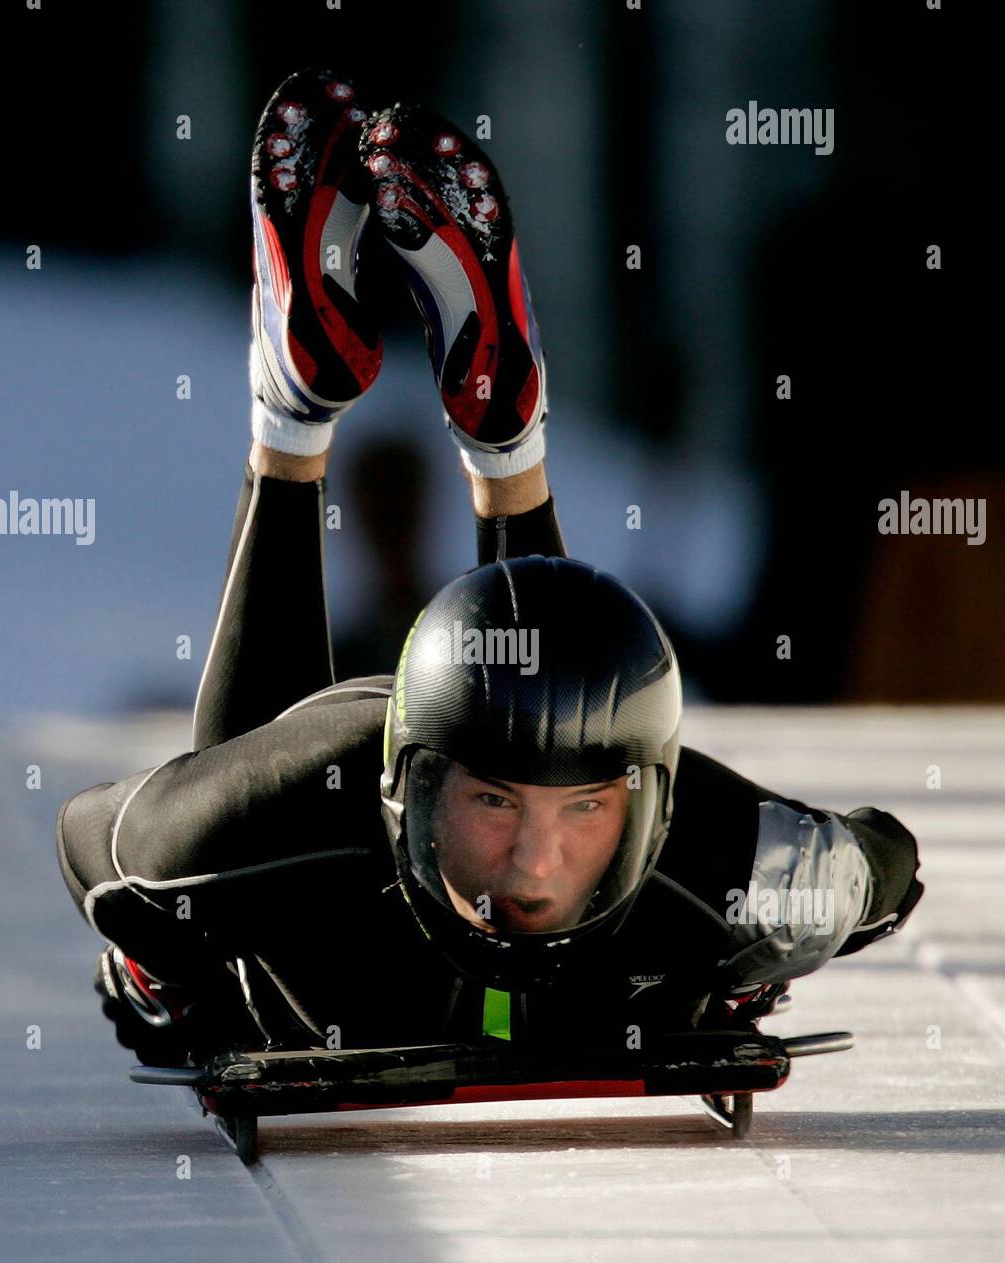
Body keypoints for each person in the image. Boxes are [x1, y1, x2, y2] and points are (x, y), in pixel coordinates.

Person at [55, 70, 924, 1066]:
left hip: (335, 842)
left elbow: (878, 868)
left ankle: (304, 420)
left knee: (211, 893)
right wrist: (156, 943)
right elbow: (102, 848)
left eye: (586, 808)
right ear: (409, 791)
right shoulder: (284, 823)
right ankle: (472, 447)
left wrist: (776, 923)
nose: (531, 862)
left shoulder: (714, 863)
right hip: (316, 824)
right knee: (217, 906)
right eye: (493, 802)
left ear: (648, 802)